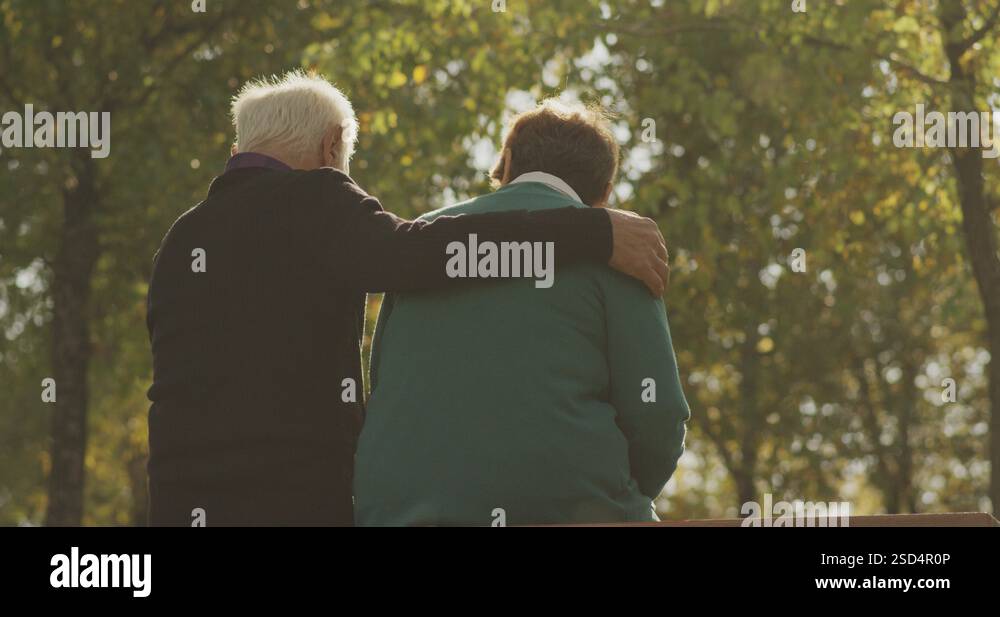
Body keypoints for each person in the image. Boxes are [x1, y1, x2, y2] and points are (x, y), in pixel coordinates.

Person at [145, 71, 669, 526]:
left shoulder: (181, 238)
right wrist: (592, 235)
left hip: (178, 499)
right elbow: (421, 254)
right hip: (293, 496)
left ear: (238, 151)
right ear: (331, 148)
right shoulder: (317, 198)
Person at [355, 99, 691, 525]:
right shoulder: (621, 250)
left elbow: (382, 383)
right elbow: (658, 415)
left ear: (508, 161)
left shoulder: (423, 239)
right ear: (605, 193)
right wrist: (616, 491)